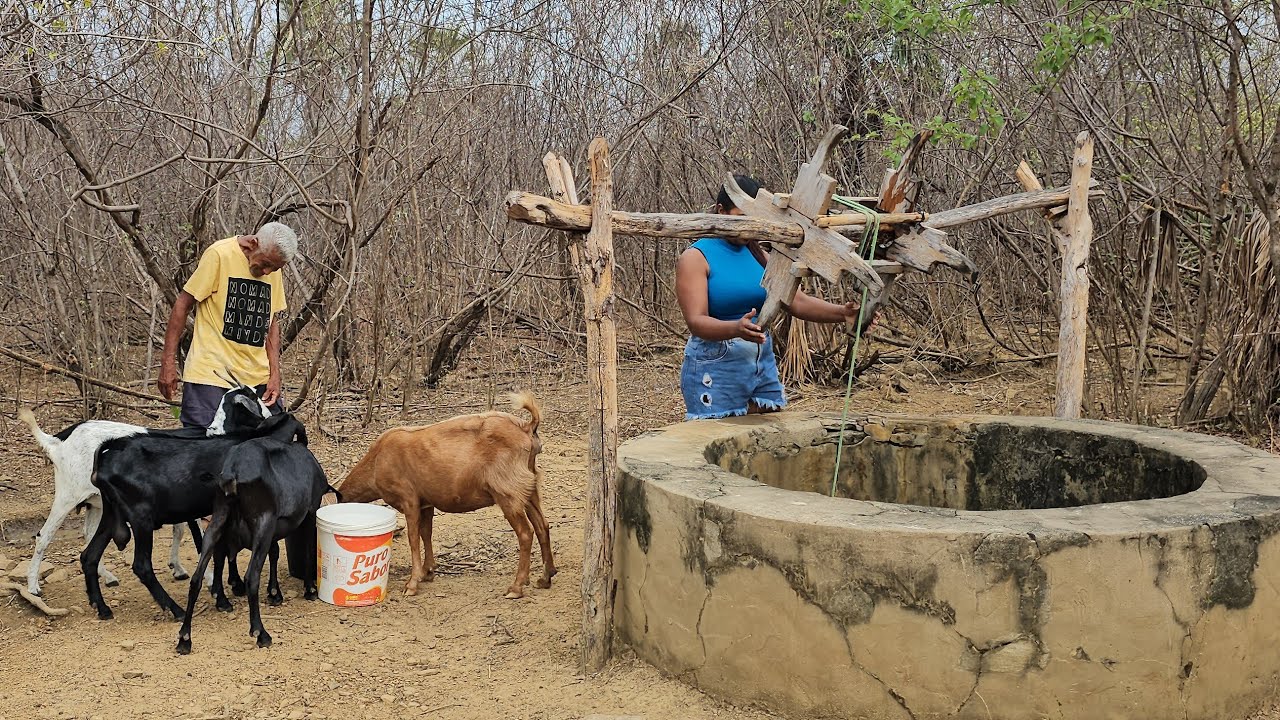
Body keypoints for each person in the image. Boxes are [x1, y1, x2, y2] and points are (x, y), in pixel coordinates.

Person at [675, 175, 868, 420]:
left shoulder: (760, 255)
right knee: (718, 444)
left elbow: (795, 301)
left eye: (753, 220)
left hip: (759, 361)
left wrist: (843, 313)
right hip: (713, 365)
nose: (747, 228)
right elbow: (696, 321)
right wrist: (736, 328)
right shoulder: (695, 257)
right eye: (740, 218)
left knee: (765, 436)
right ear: (720, 210)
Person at [158, 222, 299, 428]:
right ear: (252, 244)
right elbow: (182, 305)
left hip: (256, 379)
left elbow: (271, 322)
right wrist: (168, 362)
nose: (267, 272)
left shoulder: (272, 269)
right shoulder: (220, 255)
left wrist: (274, 373)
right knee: (205, 450)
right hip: (211, 374)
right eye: (266, 263)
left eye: (275, 268)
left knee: (269, 445)